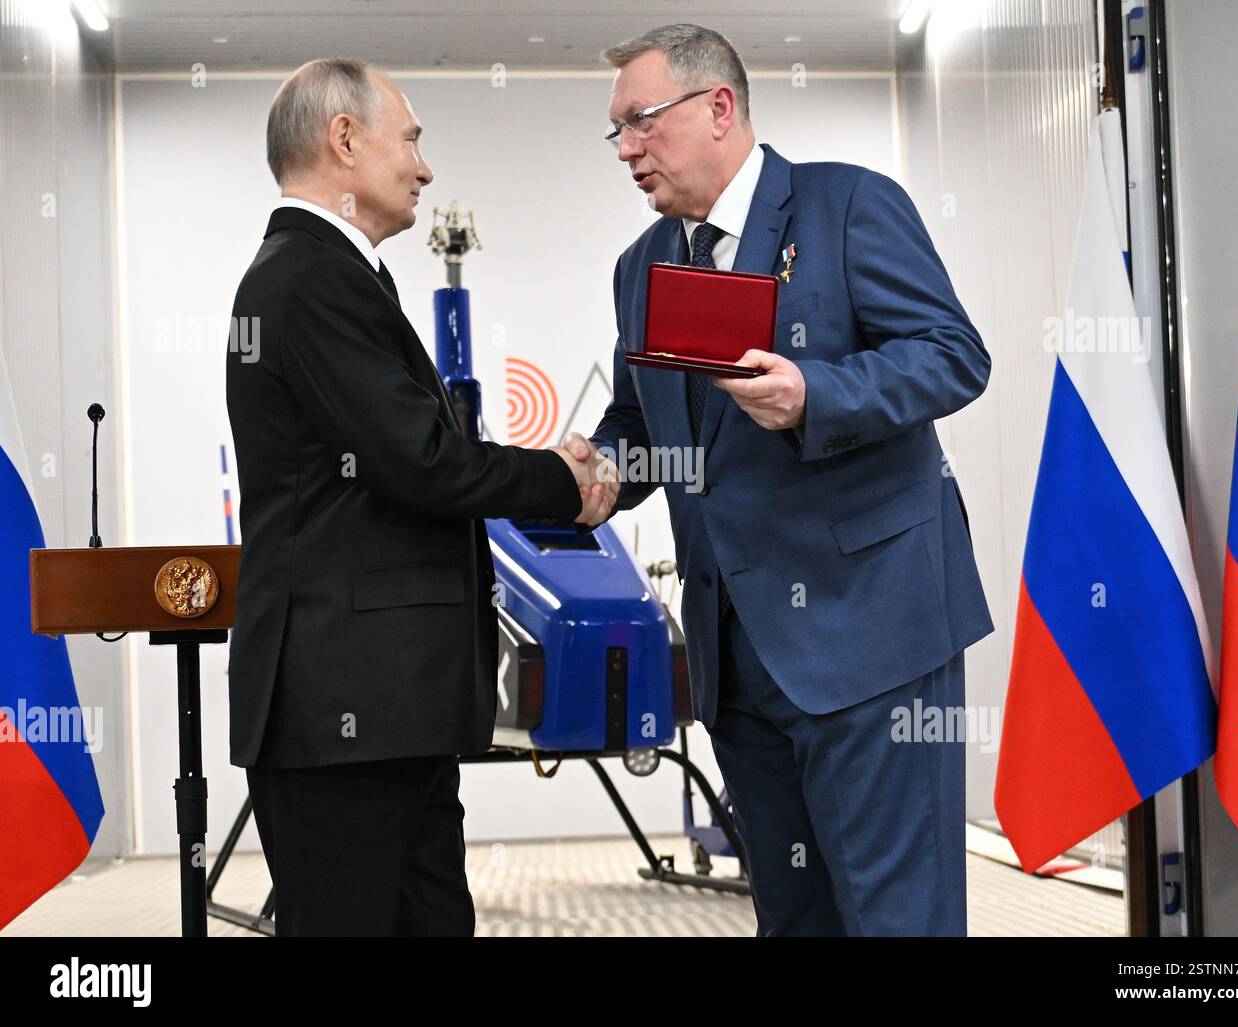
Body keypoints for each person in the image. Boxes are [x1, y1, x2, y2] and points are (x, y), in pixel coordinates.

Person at [564, 24, 994, 935]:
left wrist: (816, 396)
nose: (627, 150)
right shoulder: (643, 267)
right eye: (617, 132)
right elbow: (650, 421)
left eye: (641, 122)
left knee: (896, 918)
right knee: (793, 918)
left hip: (870, 635)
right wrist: (602, 470)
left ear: (719, 106)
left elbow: (954, 356)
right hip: (737, 662)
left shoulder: (845, 206)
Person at [225, 57, 615, 936]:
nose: (426, 168)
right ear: (345, 138)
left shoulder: (331, 275)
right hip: (344, 712)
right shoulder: (309, 278)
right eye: (412, 139)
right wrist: (564, 479)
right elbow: (425, 463)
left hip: (388, 711)